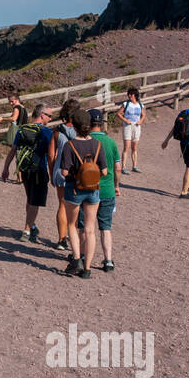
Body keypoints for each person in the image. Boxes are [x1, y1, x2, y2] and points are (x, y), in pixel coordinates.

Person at [59, 109, 107, 279]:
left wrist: (76, 173)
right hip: (93, 190)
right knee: (90, 229)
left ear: (75, 126)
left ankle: (77, 258)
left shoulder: (70, 145)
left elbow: (64, 172)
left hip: (74, 190)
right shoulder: (97, 144)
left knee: (72, 224)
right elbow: (105, 171)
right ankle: (87, 269)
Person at [77, 108, 121, 272]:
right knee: (105, 227)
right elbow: (117, 167)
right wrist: (116, 185)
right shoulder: (110, 142)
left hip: (87, 189)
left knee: (84, 226)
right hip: (107, 189)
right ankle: (108, 260)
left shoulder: (83, 141)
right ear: (101, 124)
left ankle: (82, 255)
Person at [9, 103, 53, 243]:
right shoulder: (46, 132)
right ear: (42, 115)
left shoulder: (22, 129)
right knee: (35, 201)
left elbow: (13, 149)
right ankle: (27, 230)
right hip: (38, 169)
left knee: (30, 198)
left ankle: (32, 226)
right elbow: (51, 155)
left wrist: (5, 168)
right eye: (50, 116)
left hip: (24, 168)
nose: (51, 119)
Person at [48, 98, 80, 250]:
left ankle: (61, 239)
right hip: (76, 172)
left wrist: (51, 173)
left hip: (59, 171)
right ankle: (74, 235)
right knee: (75, 205)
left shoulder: (56, 131)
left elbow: (51, 155)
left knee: (62, 204)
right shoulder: (80, 130)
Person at [0, 100, 29, 183]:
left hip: (17, 133)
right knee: (19, 153)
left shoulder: (16, 108)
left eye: (12, 101)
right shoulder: (23, 108)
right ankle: (20, 177)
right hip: (24, 132)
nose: (11, 104)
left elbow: (14, 118)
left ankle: (19, 178)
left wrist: (2, 119)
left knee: (17, 154)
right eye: (9, 102)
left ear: (16, 100)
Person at [116, 86, 145, 173]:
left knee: (134, 147)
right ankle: (124, 167)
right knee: (126, 147)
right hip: (127, 127)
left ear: (135, 95)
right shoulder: (126, 104)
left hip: (137, 127)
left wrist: (140, 121)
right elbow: (118, 113)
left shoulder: (140, 104)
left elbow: (143, 115)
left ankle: (134, 166)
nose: (129, 96)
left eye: (131, 94)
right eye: (129, 94)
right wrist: (125, 120)